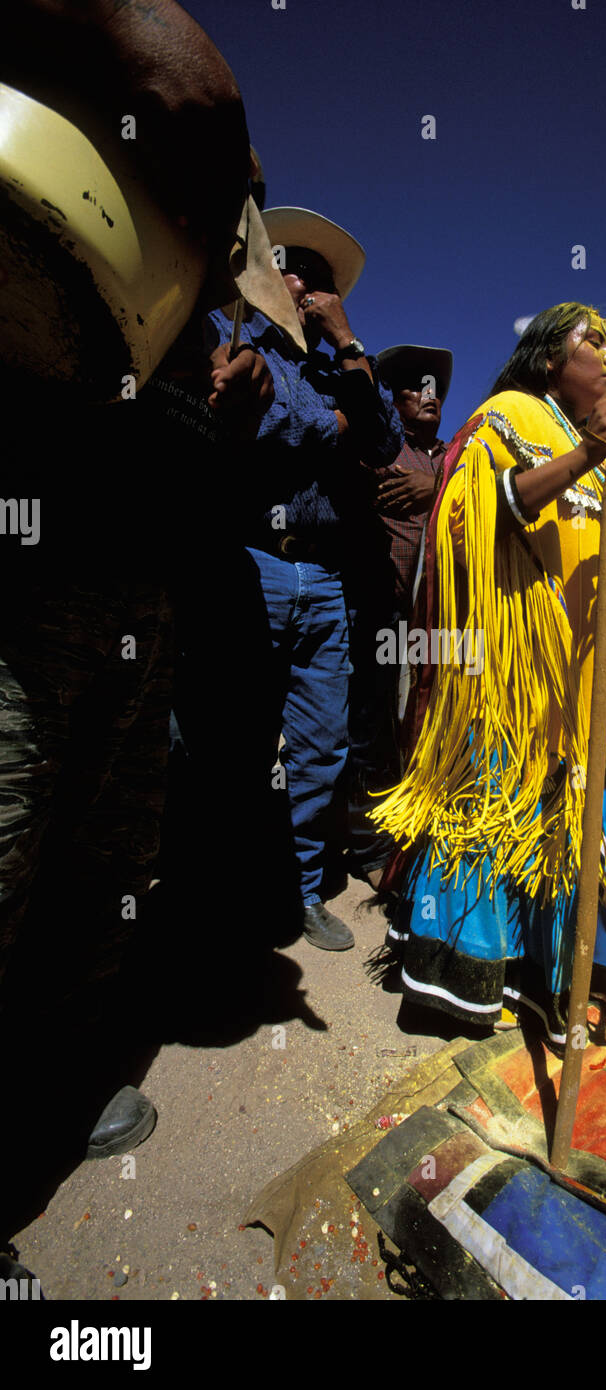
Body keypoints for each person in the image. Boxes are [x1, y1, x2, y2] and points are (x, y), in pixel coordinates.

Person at [0, 0, 280, 1211]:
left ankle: (49, 1088)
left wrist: (210, 419)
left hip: (133, 580)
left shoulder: (191, 311)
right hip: (23, 556)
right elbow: (185, 79)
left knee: (100, 857)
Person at [374, 303, 606, 1045]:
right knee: (494, 813)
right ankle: (467, 971)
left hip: (584, 687)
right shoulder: (508, 415)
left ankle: (548, 975)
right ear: (547, 361)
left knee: (567, 830)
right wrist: (584, 457)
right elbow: (473, 516)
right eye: (591, 342)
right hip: (513, 677)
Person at [211, 208, 404, 947]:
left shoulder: (344, 363)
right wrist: (336, 422)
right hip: (254, 560)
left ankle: (297, 893)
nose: (303, 286)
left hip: (324, 578)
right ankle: (228, 890)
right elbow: (266, 426)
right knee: (236, 735)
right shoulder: (242, 340)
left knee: (321, 744)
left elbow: (383, 442)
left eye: (318, 281)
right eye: (292, 268)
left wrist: (350, 344)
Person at [376, 345, 453, 616]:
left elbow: (487, 496)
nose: (430, 396)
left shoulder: (459, 455)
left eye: (436, 390)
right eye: (419, 388)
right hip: (384, 609)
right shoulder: (381, 447)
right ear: (393, 401)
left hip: (444, 611)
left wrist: (435, 488)